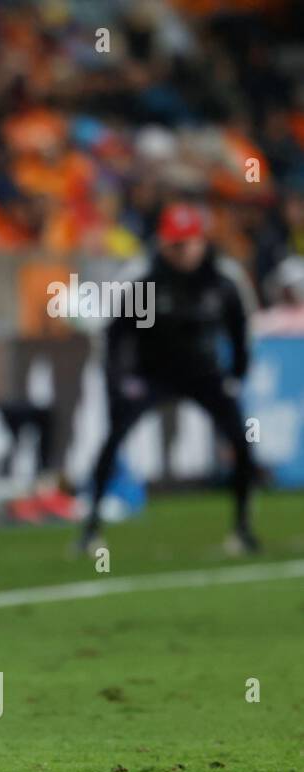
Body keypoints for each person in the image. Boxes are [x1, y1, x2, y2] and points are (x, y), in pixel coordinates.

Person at [79, 203, 260, 554]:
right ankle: (90, 528)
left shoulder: (223, 279)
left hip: (204, 373)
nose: (185, 251)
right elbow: (115, 335)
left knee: (241, 440)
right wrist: (119, 382)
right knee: (112, 438)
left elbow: (241, 331)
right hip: (151, 373)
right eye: (177, 244)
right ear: (164, 243)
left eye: (191, 242)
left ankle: (242, 527)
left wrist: (236, 376)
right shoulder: (143, 278)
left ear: (202, 241)